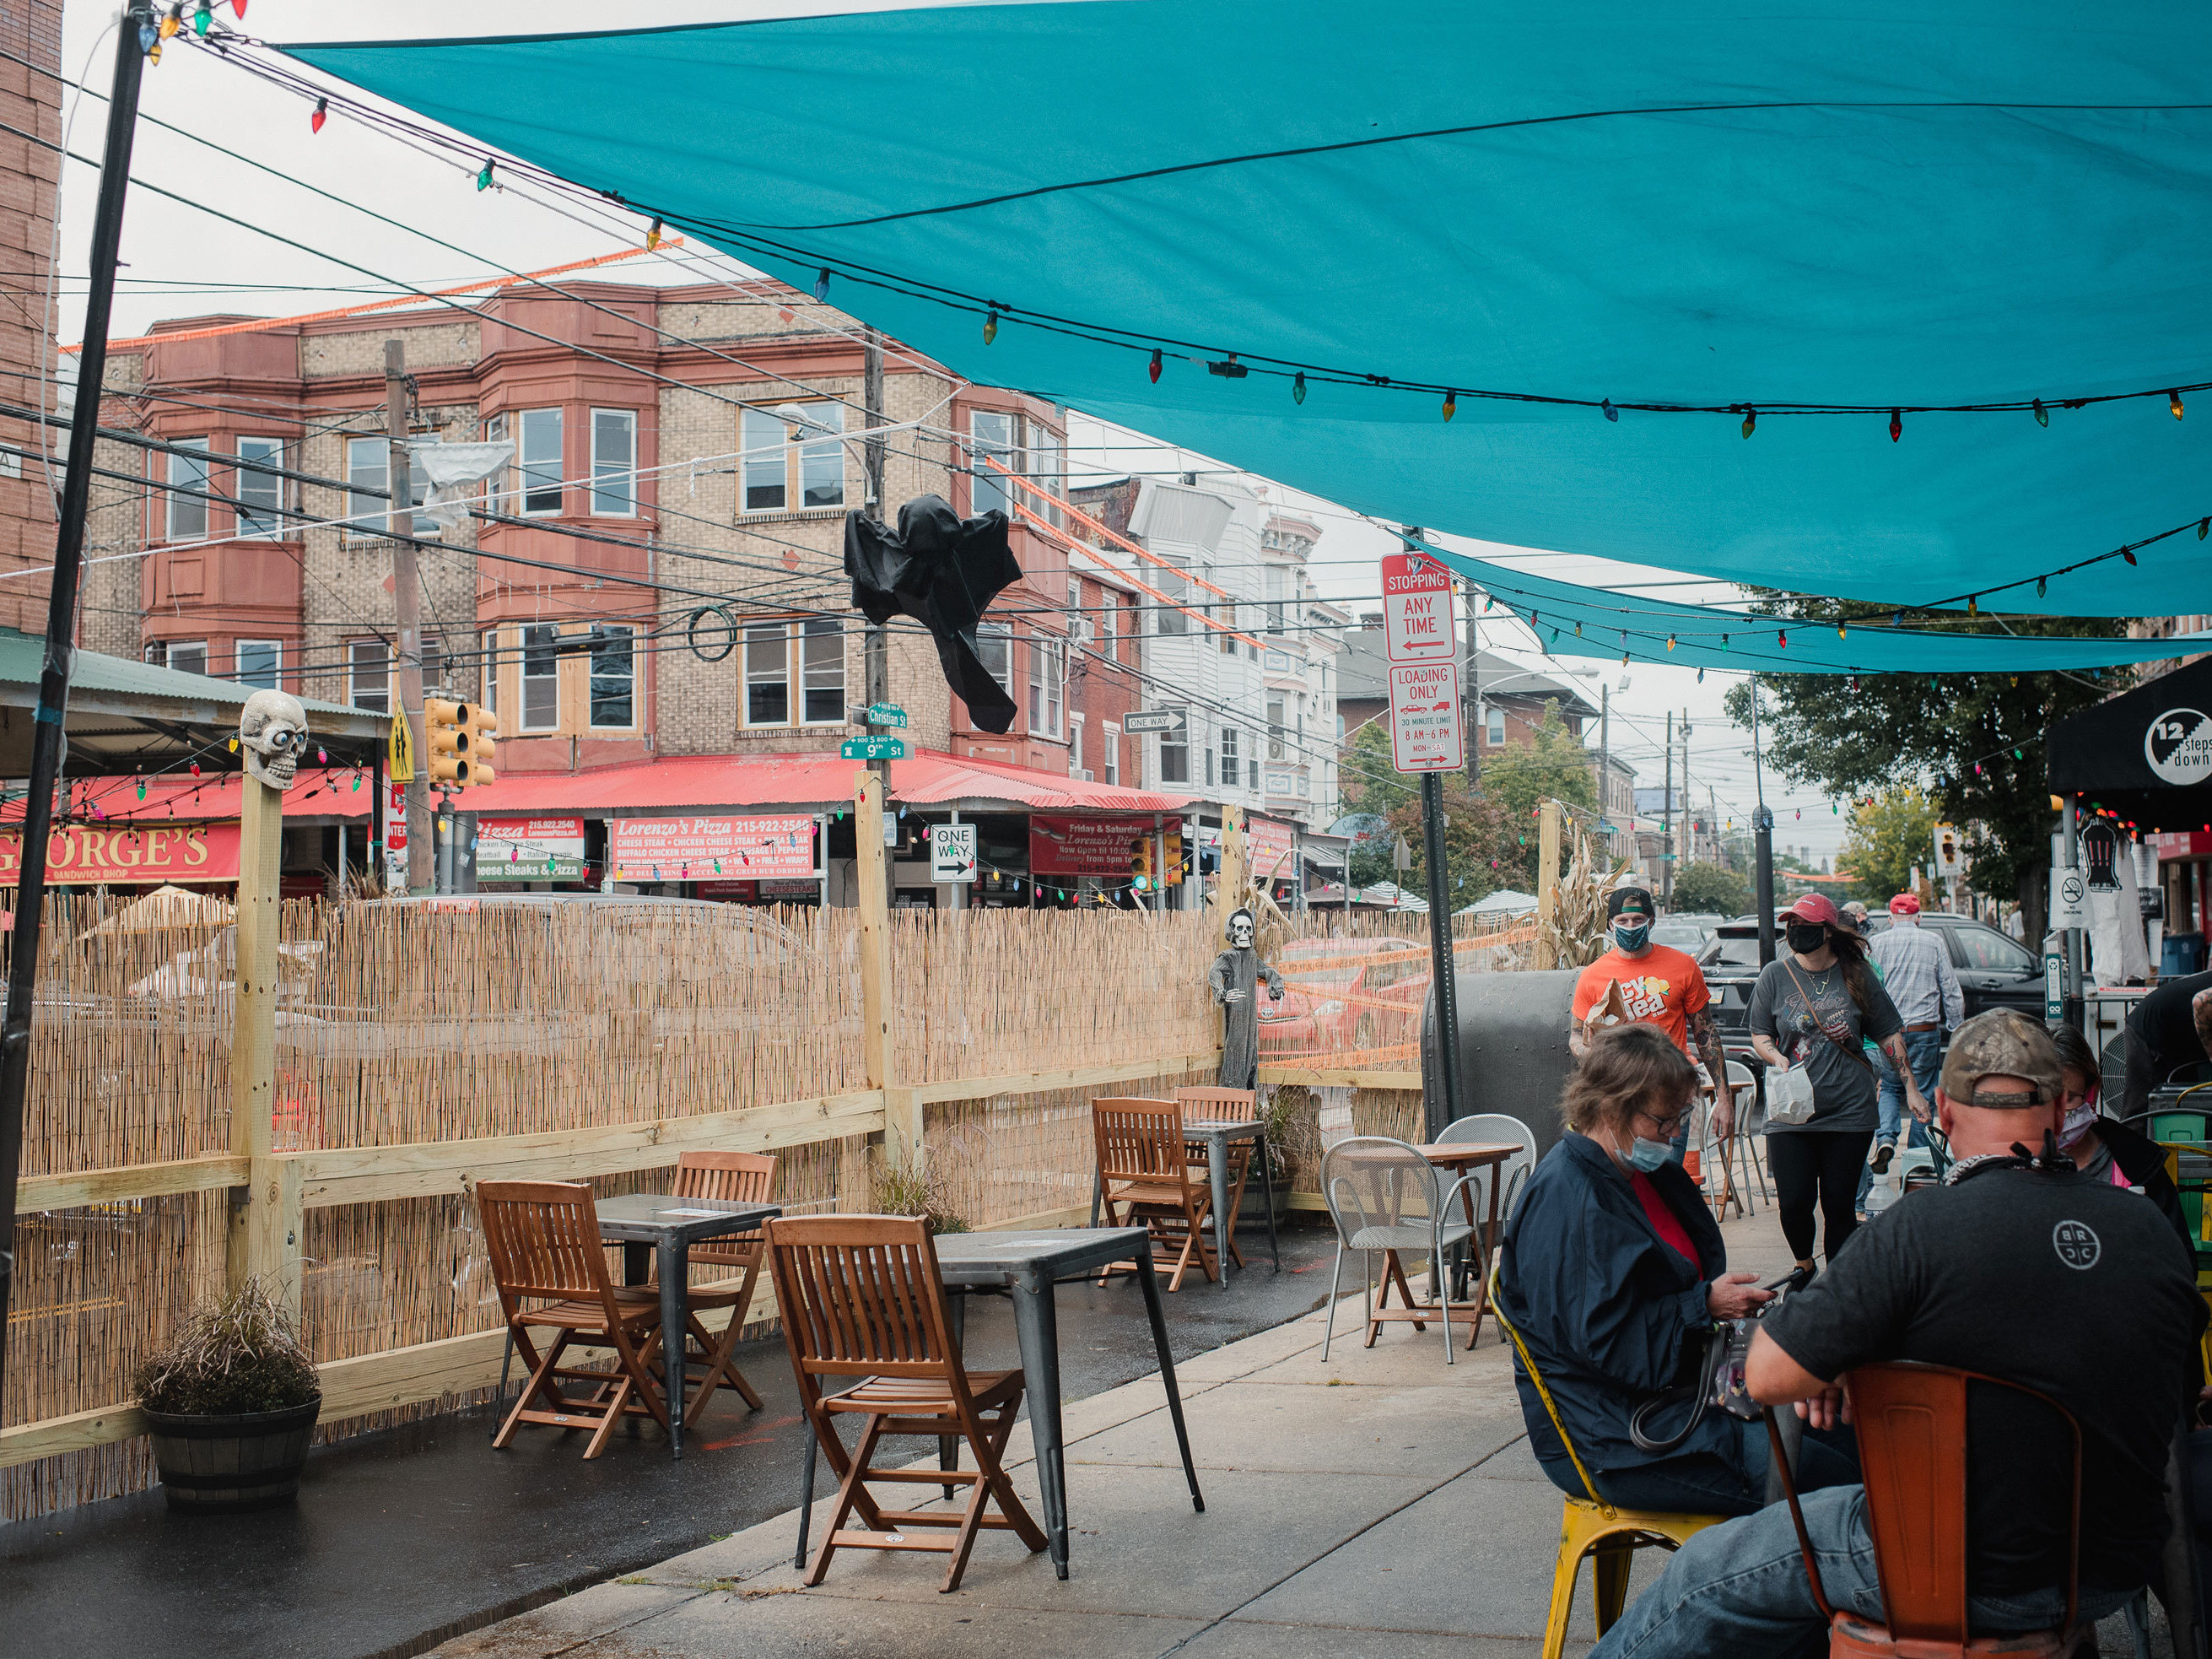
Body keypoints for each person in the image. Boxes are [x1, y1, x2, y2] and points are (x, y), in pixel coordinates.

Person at [1588, 1011, 2206, 1657]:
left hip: (1958, 1567)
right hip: (2112, 1566)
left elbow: (1767, 1376)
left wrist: (1851, 1363)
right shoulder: (2148, 1227)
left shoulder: (1921, 1227)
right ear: (2059, 1107)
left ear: (1941, 1109)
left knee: (1708, 1569)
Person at [1497, 1024, 1858, 1516]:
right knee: (1833, 1484)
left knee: (1851, 1430)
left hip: (1675, 1391)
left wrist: (1710, 1305)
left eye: (1681, 1116)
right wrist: (1701, 1306)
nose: (1674, 1134)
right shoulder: (1569, 1203)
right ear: (1609, 1109)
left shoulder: (1643, 1171)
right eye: (1663, 1121)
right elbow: (1605, 1344)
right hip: (1613, 1433)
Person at [1749, 894, 1922, 1273]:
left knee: (1838, 1203)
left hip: (1848, 1110)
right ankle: (1805, 1266)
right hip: (1791, 1112)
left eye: (1805, 928)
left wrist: (1910, 1087)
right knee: (1794, 1201)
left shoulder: (1857, 973)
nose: (1795, 933)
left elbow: (1890, 1034)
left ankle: (1837, 1284)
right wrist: (1776, 1056)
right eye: (1791, 926)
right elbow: (1760, 1033)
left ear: (1827, 932)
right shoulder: (1774, 975)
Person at [1570, 884, 1736, 1153]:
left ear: (1652, 921)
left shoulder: (1683, 966)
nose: (1630, 926)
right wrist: (1588, 1053)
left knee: (1664, 1182)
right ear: (1611, 926)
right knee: (1620, 1186)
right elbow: (1576, 1035)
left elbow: (1705, 1034)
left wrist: (1724, 1098)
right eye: (1622, 921)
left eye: (1638, 920)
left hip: (1670, 1094)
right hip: (1619, 1096)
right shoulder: (1593, 975)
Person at [1856, 892, 1963, 1211]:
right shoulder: (1933, 941)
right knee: (1924, 1091)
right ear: (1919, 918)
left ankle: (1886, 1139)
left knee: (1889, 1087)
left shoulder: (1878, 944)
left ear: (1890, 919)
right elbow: (1950, 988)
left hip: (1888, 1033)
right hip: (1924, 1031)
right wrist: (1956, 1025)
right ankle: (1916, 1166)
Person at [2047, 1020, 2192, 1252]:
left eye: (2070, 1099)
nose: (2057, 1113)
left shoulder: (2139, 1163)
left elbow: (2180, 1260)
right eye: (2045, 1098)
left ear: (2092, 1094)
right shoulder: (2010, 1166)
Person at [1207, 905, 1284, 1089]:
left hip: (1250, 1015)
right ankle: (1232, 1094)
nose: (1244, 934)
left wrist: (1276, 984)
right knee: (1235, 1049)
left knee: (1251, 1052)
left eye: (1248, 929)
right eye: (1239, 928)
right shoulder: (1228, 957)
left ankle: (1248, 1094)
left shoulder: (1251, 956)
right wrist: (1223, 994)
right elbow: (1214, 973)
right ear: (1232, 931)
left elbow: (1265, 970)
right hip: (1236, 1014)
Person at [2123, 965, 2212, 1119]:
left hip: (2181, 1040)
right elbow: (2201, 1001)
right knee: (2141, 1114)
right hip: (2151, 1030)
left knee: (2186, 1109)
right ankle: (2124, 1142)